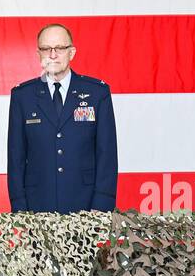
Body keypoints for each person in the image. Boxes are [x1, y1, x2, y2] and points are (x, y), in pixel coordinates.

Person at [7, 23, 117, 213]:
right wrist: (20, 209)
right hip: (37, 207)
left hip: (86, 207)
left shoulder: (97, 93)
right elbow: (15, 158)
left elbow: (107, 155)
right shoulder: (22, 96)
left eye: (60, 48)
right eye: (46, 49)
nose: (53, 54)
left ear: (71, 52)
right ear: (38, 54)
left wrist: (101, 208)